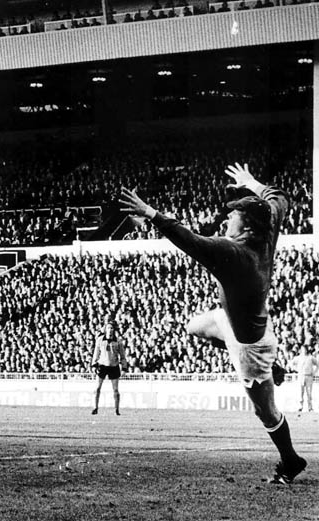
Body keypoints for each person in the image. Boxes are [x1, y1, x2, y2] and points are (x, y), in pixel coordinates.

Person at [118, 162, 307, 484]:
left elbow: (190, 240)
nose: (225, 220)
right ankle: (271, 371)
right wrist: (251, 182)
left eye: (232, 217)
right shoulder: (267, 226)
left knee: (267, 412)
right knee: (193, 327)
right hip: (240, 323)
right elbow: (279, 197)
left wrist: (151, 214)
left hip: (252, 347)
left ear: (246, 226)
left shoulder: (234, 254)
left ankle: (291, 460)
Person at [90, 320, 127, 415]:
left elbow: (122, 356)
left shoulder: (118, 341)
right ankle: (95, 407)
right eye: (108, 328)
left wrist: (124, 368)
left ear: (114, 330)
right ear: (105, 329)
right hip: (102, 365)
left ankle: (116, 409)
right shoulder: (100, 340)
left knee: (115, 389)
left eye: (112, 328)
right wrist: (94, 364)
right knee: (97, 388)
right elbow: (96, 353)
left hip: (113, 366)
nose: (110, 330)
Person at [289, 346, 318, 412]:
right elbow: (291, 364)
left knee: (309, 392)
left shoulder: (310, 357)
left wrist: (314, 372)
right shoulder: (298, 358)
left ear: (307, 350)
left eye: (305, 349)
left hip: (309, 376)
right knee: (300, 392)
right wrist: (296, 369)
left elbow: (317, 364)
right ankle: (300, 407)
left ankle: (310, 407)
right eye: (302, 349)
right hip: (301, 376)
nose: (304, 351)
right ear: (301, 350)